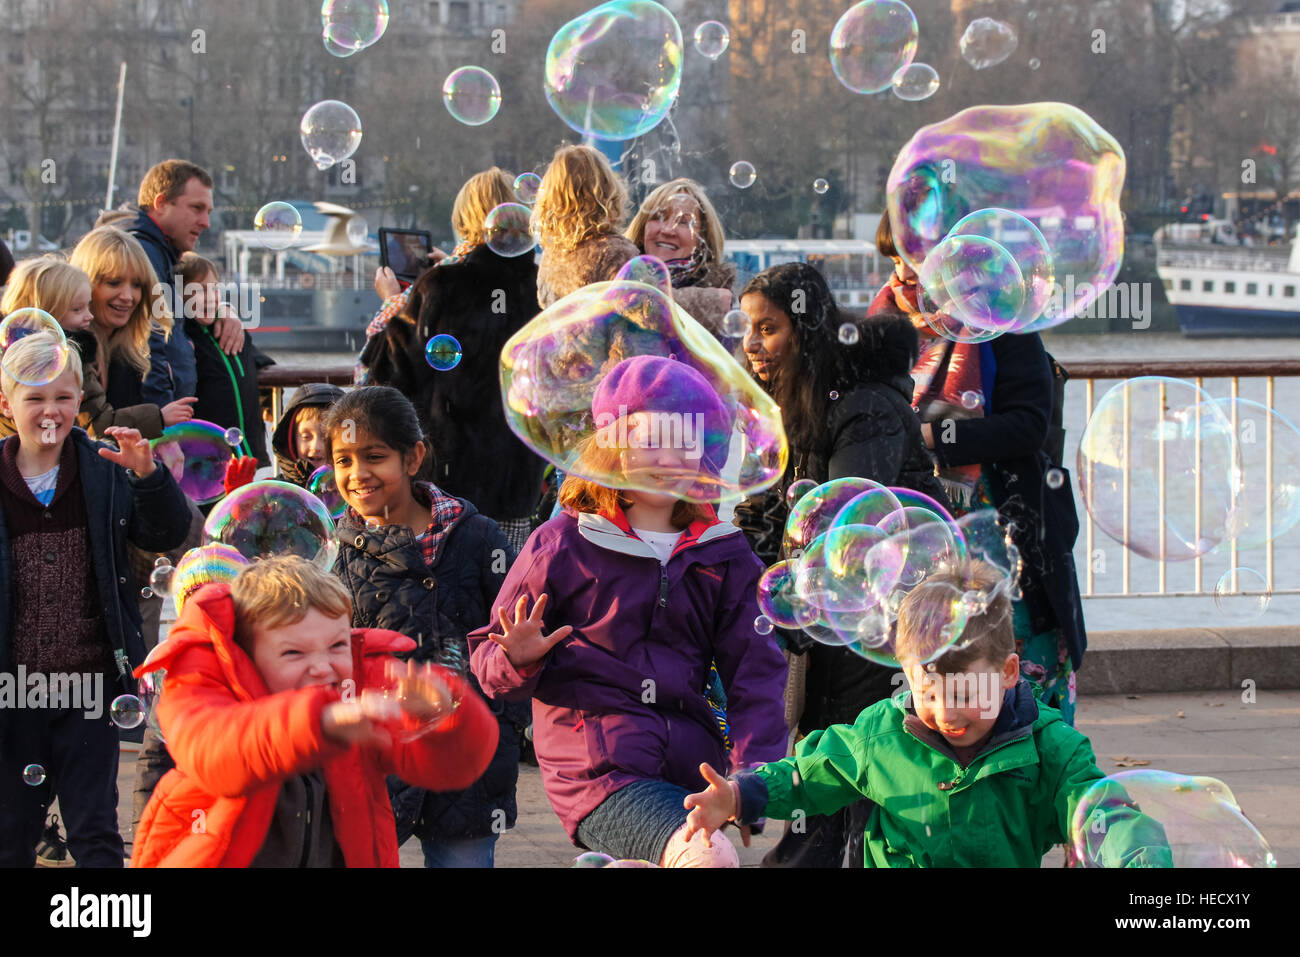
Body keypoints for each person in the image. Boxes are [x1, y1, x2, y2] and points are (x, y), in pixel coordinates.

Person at [469, 355, 788, 867]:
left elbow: (756, 672)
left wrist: (753, 778)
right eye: (648, 437)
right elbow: (490, 665)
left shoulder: (726, 553)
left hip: (691, 763)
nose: (666, 455)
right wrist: (517, 658)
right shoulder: (562, 543)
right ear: (611, 446)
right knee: (708, 857)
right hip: (595, 766)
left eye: (684, 438)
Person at [683, 559, 1173, 868]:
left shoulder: (1050, 748)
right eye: (928, 691)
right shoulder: (881, 736)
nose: (946, 712)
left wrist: (1139, 859)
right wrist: (742, 795)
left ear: (1008, 672)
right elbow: (808, 777)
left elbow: (1102, 810)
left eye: (964, 692)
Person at [731, 260, 947, 867]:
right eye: (748, 328)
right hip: (840, 620)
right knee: (830, 763)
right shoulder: (792, 403)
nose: (752, 343)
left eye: (767, 328)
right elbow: (770, 507)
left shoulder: (865, 406)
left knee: (848, 762)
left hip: (887, 617)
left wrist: (782, 575)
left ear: (804, 330)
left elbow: (847, 525)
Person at [130, 555, 500, 867]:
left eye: (337, 645)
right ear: (247, 657)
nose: (323, 667)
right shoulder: (205, 685)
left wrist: (444, 714)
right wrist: (319, 721)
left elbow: (454, 766)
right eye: (294, 653)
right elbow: (215, 750)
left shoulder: (362, 693)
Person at [872, 212, 1085, 726]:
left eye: (920, 254)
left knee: (1025, 697)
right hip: (923, 535)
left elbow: (1028, 426)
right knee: (940, 684)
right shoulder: (883, 325)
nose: (907, 269)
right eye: (898, 255)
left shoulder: (1002, 324)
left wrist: (930, 438)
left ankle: (1041, 786)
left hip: (1009, 534)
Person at [0, 333, 191, 867]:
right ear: (4, 403)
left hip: (90, 687)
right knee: (10, 833)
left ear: (80, 399)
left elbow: (166, 532)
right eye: (34, 398)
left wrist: (147, 475)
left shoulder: (104, 467)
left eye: (63, 397)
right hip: (12, 690)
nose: (50, 410)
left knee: (95, 832)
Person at [323, 386, 527, 868]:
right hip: (374, 763)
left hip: (466, 762)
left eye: (375, 456)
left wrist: (500, 718)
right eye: (343, 460)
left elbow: (504, 642)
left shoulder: (478, 539)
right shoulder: (335, 554)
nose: (357, 475)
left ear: (414, 457)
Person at [358, 168, 545, 553]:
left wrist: (397, 302)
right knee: (502, 592)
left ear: (465, 220)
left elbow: (385, 373)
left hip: (447, 480)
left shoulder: (441, 285)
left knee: (445, 592)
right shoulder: (542, 285)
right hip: (516, 480)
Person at [124, 159, 244, 406]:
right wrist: (163, 427)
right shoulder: (144, 254)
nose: (206, 222)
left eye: (208, 212)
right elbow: (149, 347)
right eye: (196, 208)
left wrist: (223, 311)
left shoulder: (157, 253)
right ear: (160, 204)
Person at [0, 256, 155, 440]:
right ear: (46, 313)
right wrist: (159, 418)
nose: (90, 316)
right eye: (77, 309)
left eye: (87, 306)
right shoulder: (67, 359)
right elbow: (95, 422)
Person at [68, 227, 196, 437]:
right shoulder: (68, 352)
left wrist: (224, 316)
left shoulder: (130, 352)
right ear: (85, 285)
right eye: (114, 282)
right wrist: (159, 418)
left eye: (137, 285)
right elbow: (92, 429)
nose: (128, 296)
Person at [175, 252, 273, 468]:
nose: (211, 297)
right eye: (198, 290)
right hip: (208, 457)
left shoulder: (233, 333)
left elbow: (257, 362)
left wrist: (270, 400)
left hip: (249, 451)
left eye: (214, 289)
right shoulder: (183, 342)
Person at [531, 144, 639, 309]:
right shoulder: (615, 252)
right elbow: (645, 312)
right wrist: (692, 296)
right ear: (607, 190)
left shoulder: (552, 255)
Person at [626, 178, 736, 334]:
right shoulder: (614, 277)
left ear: (703, 237)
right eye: (658, 217)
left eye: (684, 222)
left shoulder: (726, 306)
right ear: (642, 226)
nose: (668, 230)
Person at [270, 382, 345, 487]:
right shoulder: (275, 490)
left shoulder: (356, 487)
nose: (316, 447)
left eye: (325, 437)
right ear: (291, 441)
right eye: (306, 437)